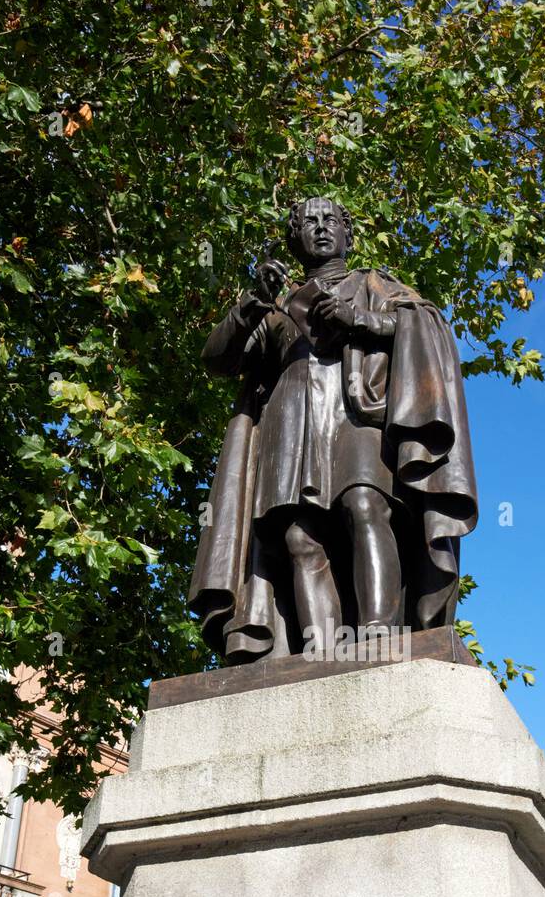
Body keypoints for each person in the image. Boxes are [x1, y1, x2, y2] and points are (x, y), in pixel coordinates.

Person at [189, 195, 477, 662]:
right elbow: (217, 359)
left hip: (356, 411)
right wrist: (252, 303)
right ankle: (323, 652)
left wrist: (359, 319)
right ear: (294, 237)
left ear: (347, 233)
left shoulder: (373, 285)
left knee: (364, 504)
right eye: (308, 222)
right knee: (300, 536)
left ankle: (379, 633)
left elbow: (428, 325)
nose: (320, 228)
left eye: (330, 221)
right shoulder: (278, 306)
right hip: (289, 422)